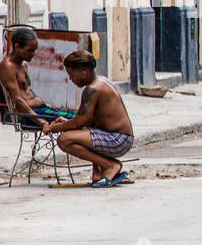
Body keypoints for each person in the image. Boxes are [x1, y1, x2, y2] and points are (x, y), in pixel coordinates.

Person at [40, 50, 135, 187]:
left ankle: (110, 165)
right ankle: (100, 171)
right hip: (119, 137)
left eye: (71, 75)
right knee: (82, 131)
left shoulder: (92, 89)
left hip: (118, 139)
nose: (71, 80)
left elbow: (78, 123)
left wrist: (52, 128)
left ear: (83, 73)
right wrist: (66, 122)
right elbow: (87, 121)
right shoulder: (101, 81)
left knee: (65, 140)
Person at [0, 27, 68, 126]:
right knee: (76, 120)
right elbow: (18, 100)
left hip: (42, 109)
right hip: (31, 115)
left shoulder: (23, 65)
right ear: (17, 47)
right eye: (29, 50)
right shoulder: (8, 66)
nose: (33, 54)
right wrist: (41, 122)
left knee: (81, 116)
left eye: (34, 50)